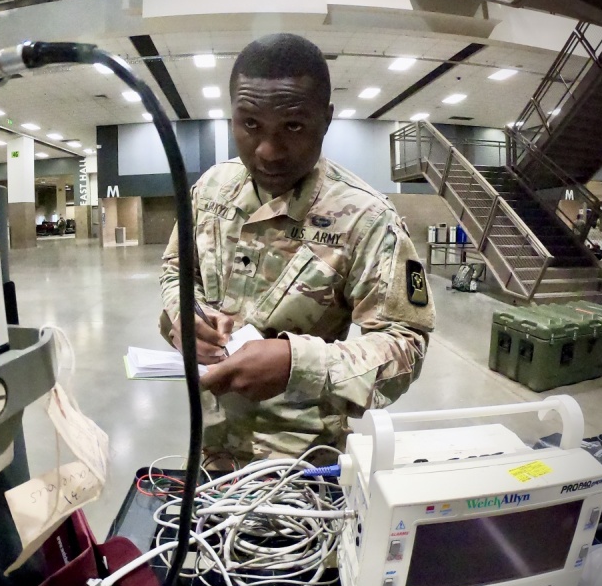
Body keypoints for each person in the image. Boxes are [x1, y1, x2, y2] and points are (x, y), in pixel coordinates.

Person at [158, 33, 435, 466]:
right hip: (210, 443)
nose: (268, 151)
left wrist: (296, 364)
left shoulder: (365, 218)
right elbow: (177, 271)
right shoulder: (210, 190)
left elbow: (406, 346)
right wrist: (183, 314)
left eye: (293, 126)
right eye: (249, 124)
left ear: (326, 119)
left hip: (303, 463)